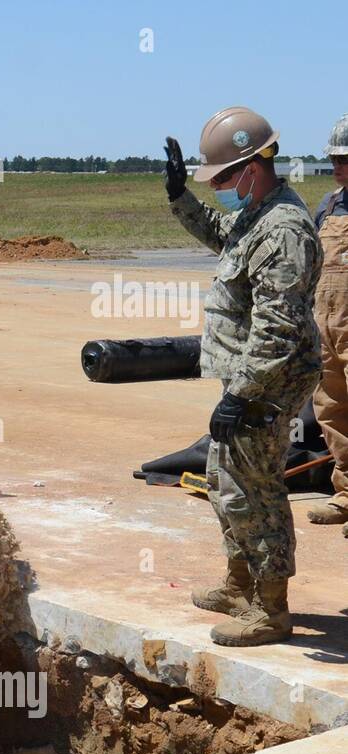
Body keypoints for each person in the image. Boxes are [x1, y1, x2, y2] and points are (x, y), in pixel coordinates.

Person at [163, 107, 323, 647]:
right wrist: (181, 196)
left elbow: (279, 328)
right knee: (225, 482)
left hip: (267, 384)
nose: (222, 188)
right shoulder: (256, 212)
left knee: (257, 491)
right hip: (246, 379)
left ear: (253, 168)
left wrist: (245, 393)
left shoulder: (283, 230)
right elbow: (218, 232)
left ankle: (271, 608)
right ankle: (240, 584)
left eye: (224, 178)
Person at [307, 113, 348, 529]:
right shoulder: (329, 205)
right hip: (327, 331)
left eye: (345, 158)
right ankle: (346, 495)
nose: (337, 165)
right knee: (332, 413)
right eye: (335, 157)